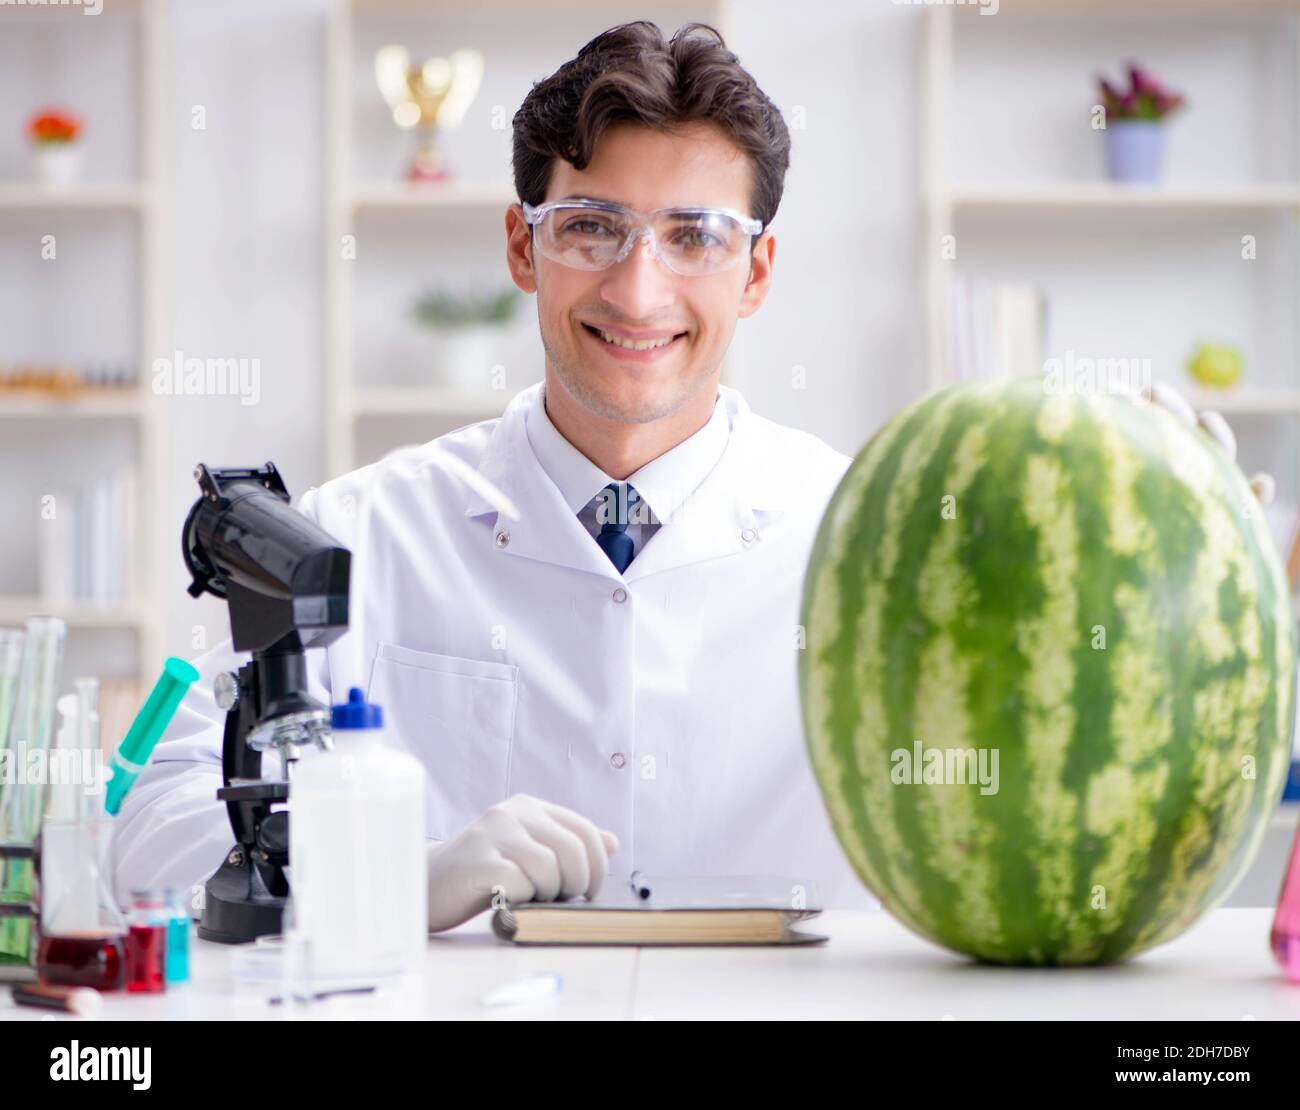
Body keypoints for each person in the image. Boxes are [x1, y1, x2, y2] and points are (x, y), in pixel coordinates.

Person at [112, 21, 877, 930]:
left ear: (755, 272)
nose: (639, 292)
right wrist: (392, 877)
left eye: (695, 236)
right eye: (592, 228)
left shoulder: (865, 544)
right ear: (523, 247)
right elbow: (146, 826)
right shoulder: (356, 532)